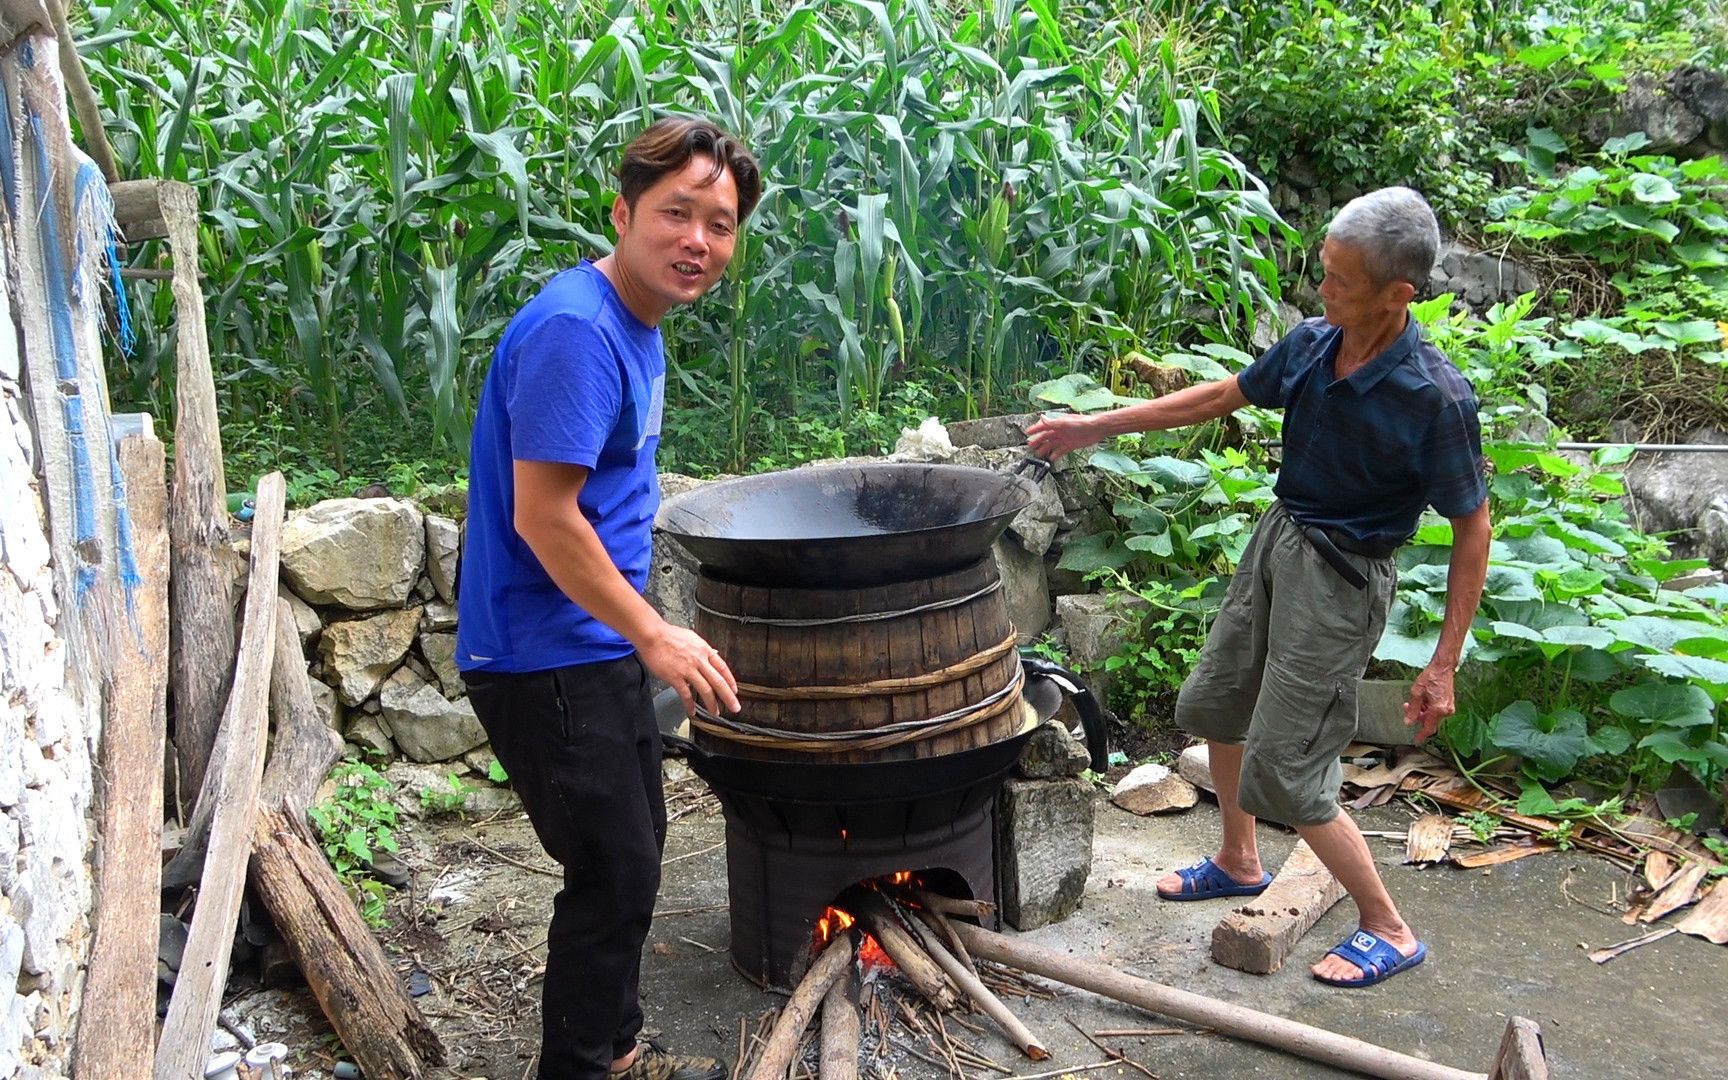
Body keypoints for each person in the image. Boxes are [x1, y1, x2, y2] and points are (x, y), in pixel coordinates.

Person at [1027, 186, 1490, 988]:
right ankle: (1241, 861)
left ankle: (1390, 926)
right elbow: (1222, 396)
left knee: (1290, 770)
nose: (1322, 289)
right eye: (1324, 271)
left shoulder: (1434, 397)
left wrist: (1442, 663)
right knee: (1215, 707)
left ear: (1398, 294)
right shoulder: (1314, 343)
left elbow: (1473, 530)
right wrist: (1098, 423)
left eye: (1340, 279)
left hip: (1342, 580)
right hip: (1279, 542)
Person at [457, 118, 759, 1080]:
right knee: (612, 876)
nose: (697, 242)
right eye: (676, 214)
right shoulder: (577, 333)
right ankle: (581, 1067)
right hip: (546, 653)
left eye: (719, 223)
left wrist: (635, 636)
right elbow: (545, 519)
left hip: (595, 642)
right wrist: (657, 636)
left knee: (634, 856)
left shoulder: (636, 320)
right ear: (623, 213)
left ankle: (616, 1048)